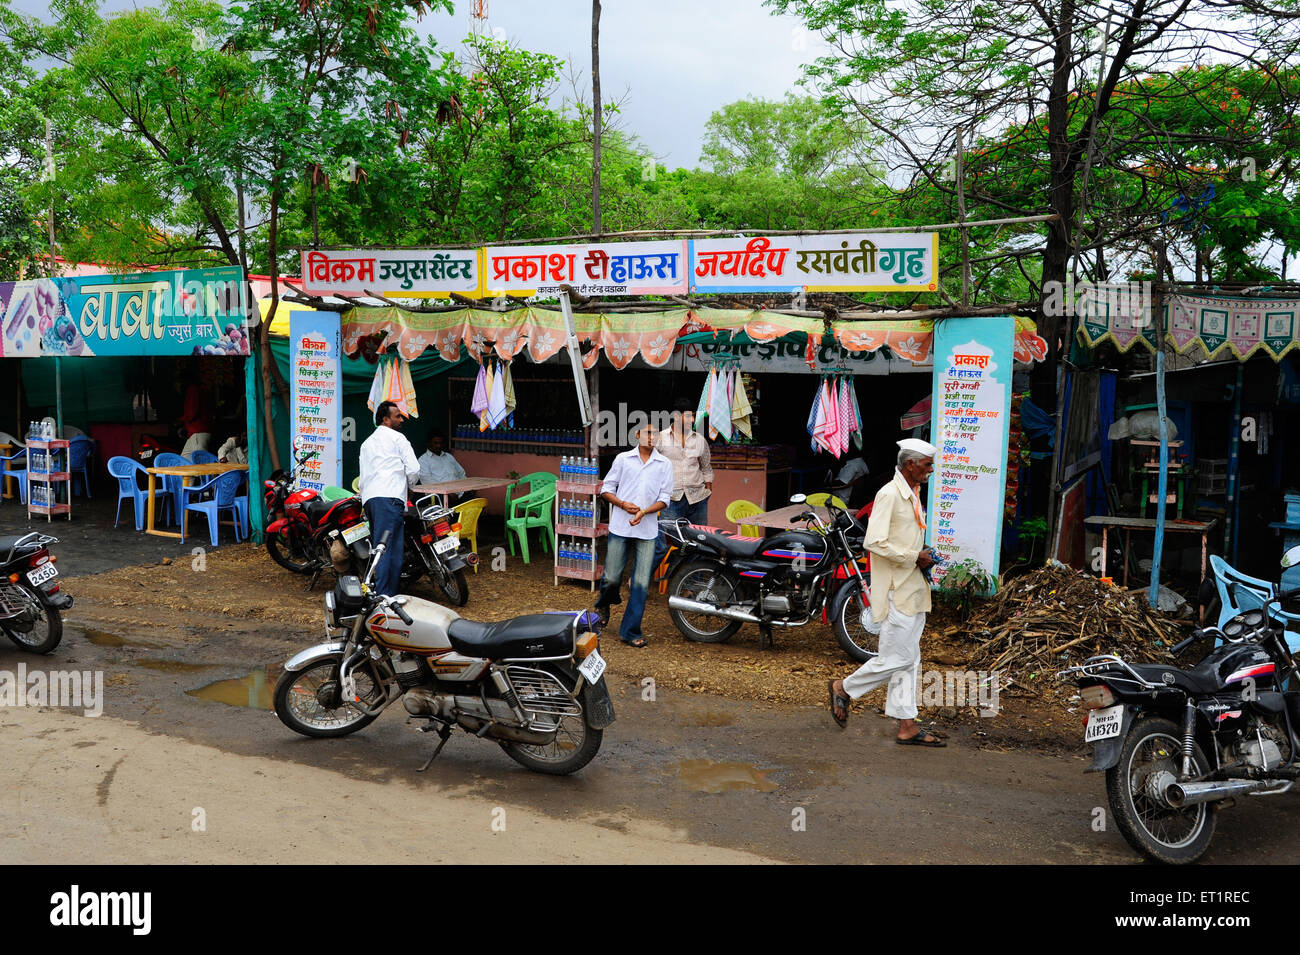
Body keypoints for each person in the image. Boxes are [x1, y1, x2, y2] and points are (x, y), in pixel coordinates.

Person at [827, 438, 945, 746]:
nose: (930, 470)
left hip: (912, 587)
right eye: (927, 464)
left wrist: (920, 553)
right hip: (897, 589)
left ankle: (907, 725)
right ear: (910, 465)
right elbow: (874, 542)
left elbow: (900, 540)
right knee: (899, 657)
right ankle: (844, 687)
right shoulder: (890, 495)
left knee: (910, 658)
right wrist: (913, 555)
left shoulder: (912, 494)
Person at [593, 422, 674, 648]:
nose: (652, 437)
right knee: (611, 578)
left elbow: (665, 498)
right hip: (620, 526)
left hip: (647, 530)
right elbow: (606, 489)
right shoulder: (622, 459)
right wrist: (621, 504)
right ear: (637, 434)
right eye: (647, 432)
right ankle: (604, 603)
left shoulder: (664, 464)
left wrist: (644, 511)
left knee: (640, 583)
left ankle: (630, 631)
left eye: (655, 433)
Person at [358, 401, 420, 596]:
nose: (401, 420)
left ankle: (383, 592)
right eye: (397, 416)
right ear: (385, 419)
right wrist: (410, 488)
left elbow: (363, 477)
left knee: (380, 547)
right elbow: (414, 469)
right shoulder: (398, 438)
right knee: (388, 551)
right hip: (389, 497)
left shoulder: (366, 443)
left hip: (371, 499)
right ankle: (386, 597)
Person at [653, 398, 713, 571]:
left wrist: (708, 490)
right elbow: (651, 466)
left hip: (698, 499)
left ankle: (690, 583)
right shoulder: (660, 438)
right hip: (672, 498)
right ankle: (639, 578)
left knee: (699, 542)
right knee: (664, 543)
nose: (692, 420)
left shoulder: (699, 439)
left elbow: (706, 467)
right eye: (689, 416)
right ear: (677, 417)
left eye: (693, 416)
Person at [179, 369, 214, 456]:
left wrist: (182, 419)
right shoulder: (202, 389)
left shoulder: (193, 390)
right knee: (185, 461)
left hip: (198, 432)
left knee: (200, 463)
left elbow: (192, 413)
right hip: (197, 433)